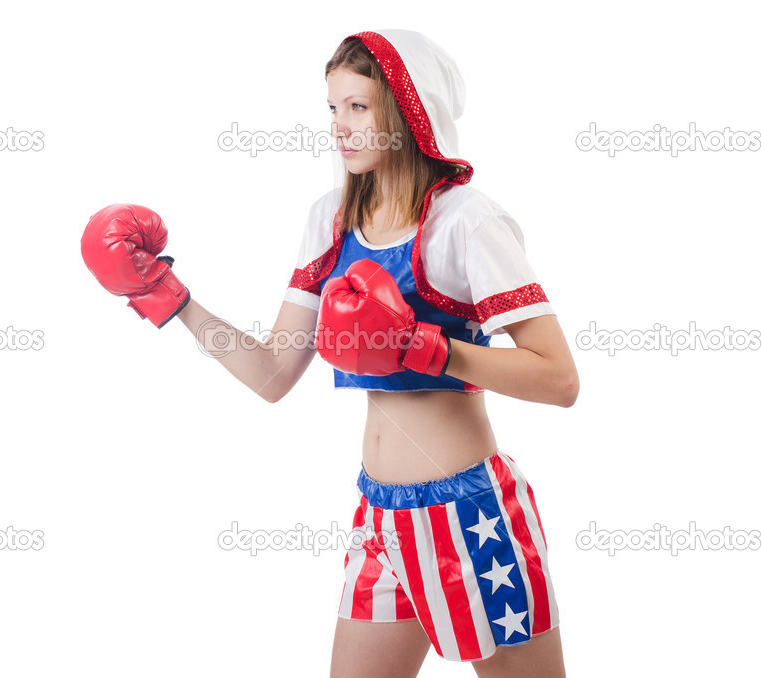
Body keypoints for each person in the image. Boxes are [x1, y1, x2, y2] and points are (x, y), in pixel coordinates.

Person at [80, 28, 577, 678]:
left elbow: (559, 378)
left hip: (472, 517)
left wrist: (425, 349)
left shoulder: (466, 222)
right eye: (333, 108)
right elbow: (273, 373)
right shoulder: (331, 219)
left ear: (408, 111)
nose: (340, 126)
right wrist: (169, 298)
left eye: (359, 107)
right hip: (380, 519)